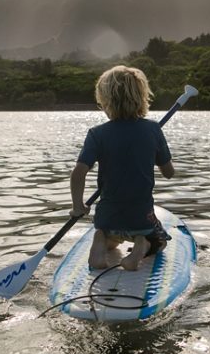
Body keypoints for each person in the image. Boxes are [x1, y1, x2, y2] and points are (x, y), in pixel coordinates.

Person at [70, 65, 175, 271]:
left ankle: (99, 244)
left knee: (108, 235)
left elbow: (79, 172)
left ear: (105, 101)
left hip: (107, 217)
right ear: (142, 97)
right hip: (141, 216)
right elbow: (169, 173)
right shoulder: (153, 129)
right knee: (159, 240)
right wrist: (153, 155)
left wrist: (77, 206)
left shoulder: (96, 133)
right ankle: (141, 244)